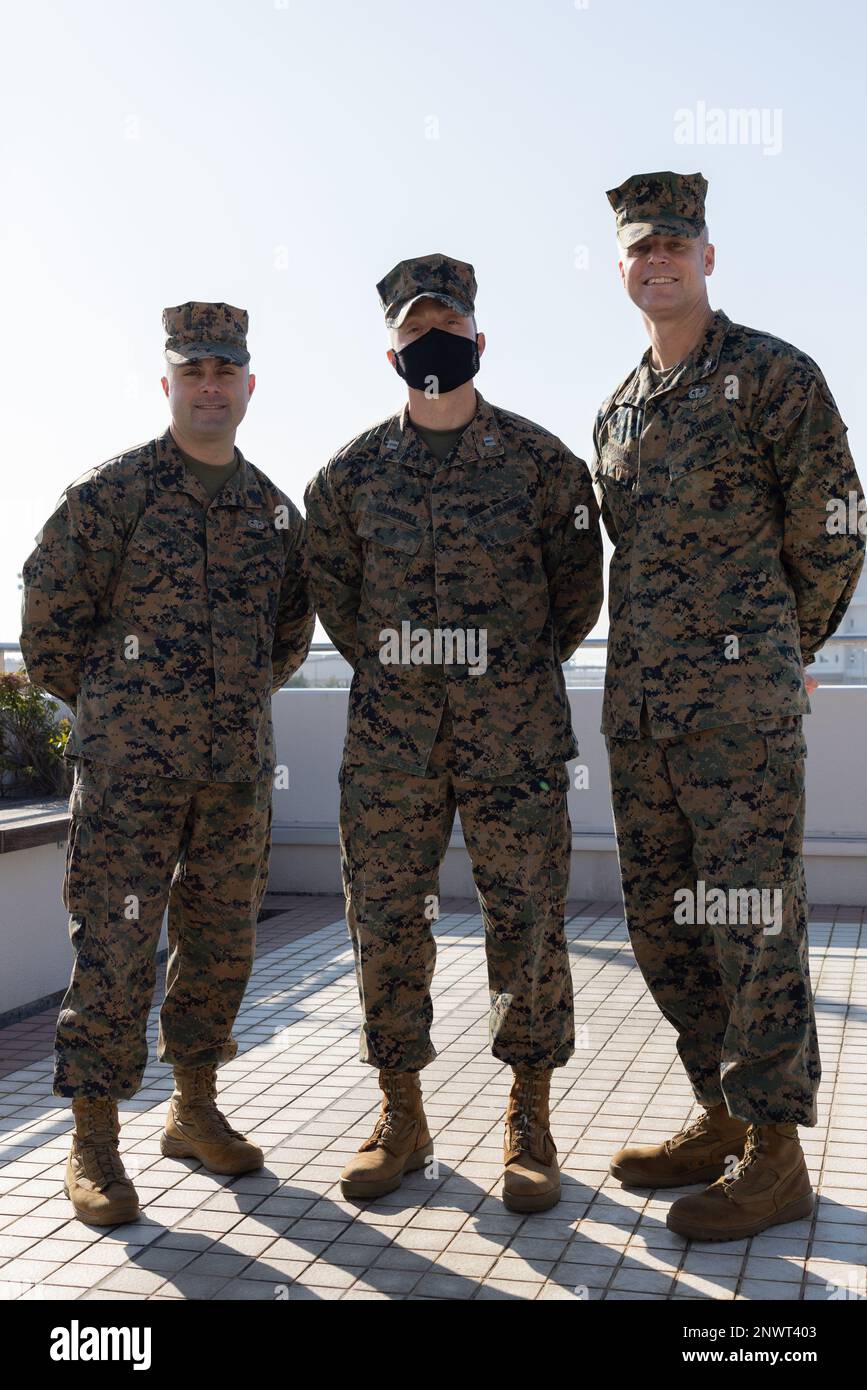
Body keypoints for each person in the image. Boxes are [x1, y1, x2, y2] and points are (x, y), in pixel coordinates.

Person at [592, 172, 865, 1240]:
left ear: (709, 257)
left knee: (754, 924)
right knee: (668, 925)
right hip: (642, 715)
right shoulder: (616, 409)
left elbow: (838, 525)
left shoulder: (775, 375)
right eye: (638, 247)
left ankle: (777, 1152)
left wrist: (786, 645)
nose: (657, 259)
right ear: (621, 268)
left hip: (737, 717)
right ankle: (718, 1114)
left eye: (676, 242)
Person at [304, 253, 603, 1212]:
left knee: (527, 927)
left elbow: (574, 598)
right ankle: (401, 1113)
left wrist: (501, 674)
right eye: (413, 328)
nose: (430, 341)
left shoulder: (543, 463)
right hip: (391, 744)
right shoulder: (346, 478)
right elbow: (338, 608)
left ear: (478, 339)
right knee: (385, 924)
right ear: (390, 348)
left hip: (514, 738)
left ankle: (529, 1119)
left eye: (447, 325)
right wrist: (410, 673)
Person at [20, 301, 314, 1225]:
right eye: (194, 371)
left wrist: (222, 710)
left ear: (249, 386)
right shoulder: (110, 495)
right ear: (168, 384)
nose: (210, 386)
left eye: (225, 371)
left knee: (221, 946)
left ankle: (194, 1111)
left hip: (233, 774)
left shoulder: (273, 512)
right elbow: (49, 626)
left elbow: (288, 637)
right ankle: (95, 1145)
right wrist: (119, 710)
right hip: (129, 776)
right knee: (112, 948)